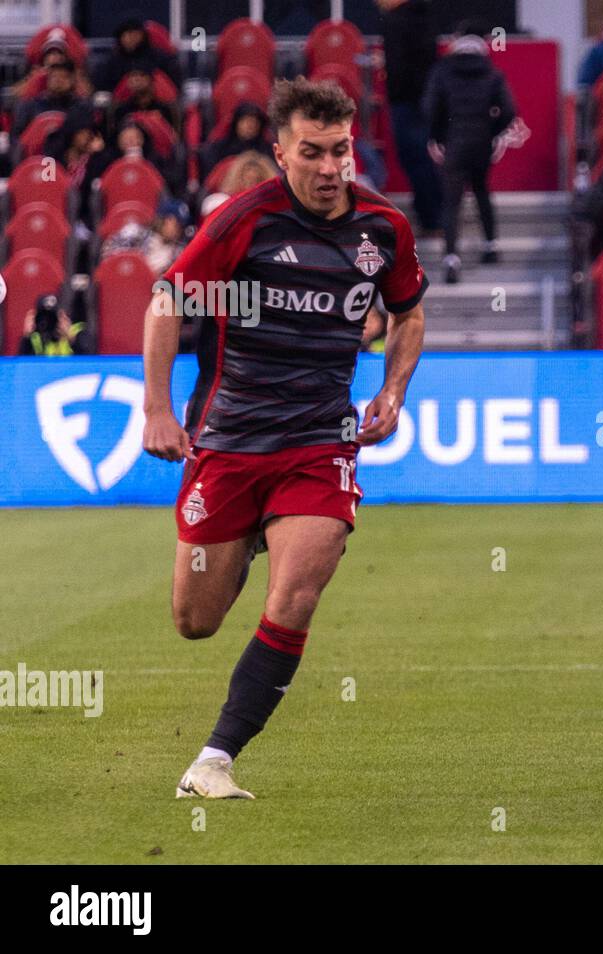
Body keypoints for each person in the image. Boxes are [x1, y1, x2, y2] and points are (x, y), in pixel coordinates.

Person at [142, 77, 428, 799]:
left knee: (299, 588)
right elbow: (166, 301)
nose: (332, 168)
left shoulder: (383, 229)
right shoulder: (244, 222)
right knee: (194, 620)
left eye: (342, 150)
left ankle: (214, 758)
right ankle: (257, 530)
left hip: (318, 438)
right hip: (232, 440)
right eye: (314, 153)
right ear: (281, 153)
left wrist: (393, 388)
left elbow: (409, 311)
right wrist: (156, 408)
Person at [425, 20, 516, 283]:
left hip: (453, 143)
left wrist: (438, 137)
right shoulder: (492, 72)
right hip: (481, 142)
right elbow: (509, 110)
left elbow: (430, 108)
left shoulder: (442, 71)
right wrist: (492, 131)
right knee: (482, 191)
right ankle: (491, 247)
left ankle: (452, 259)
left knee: (451, 201)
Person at [376, 0, 442, 235]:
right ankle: (434, 214)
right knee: (422, 158)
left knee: (413, 158)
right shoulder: (424, 16)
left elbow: (399, 65)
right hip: (424, 99)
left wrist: (396, 93)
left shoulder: (395, 22)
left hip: (407, 101)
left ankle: (432, 218)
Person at [198, 102, 274, 180]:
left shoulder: (267, 150)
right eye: (245, 121)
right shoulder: (219, 149)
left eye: (254, 122)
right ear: (236, 123)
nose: (249, 126)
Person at [18, 294, 91, 355]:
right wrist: (26, 338)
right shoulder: (34, 337)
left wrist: (71, 339)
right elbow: (23, 367)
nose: (48, 322)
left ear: (62, 315)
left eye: (52, 317)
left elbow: (90, 364)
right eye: (44, 317)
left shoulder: (77, 332)